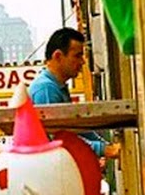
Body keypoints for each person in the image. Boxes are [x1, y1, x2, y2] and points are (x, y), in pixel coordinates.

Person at [28, 27, 121, 160]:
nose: (82, 61)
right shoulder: (46, 89)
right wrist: (105, 149)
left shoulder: (56, 86)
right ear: (58, 56)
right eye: (77, 56)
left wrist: (106, 146)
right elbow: (60, 139)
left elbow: (76, 129)